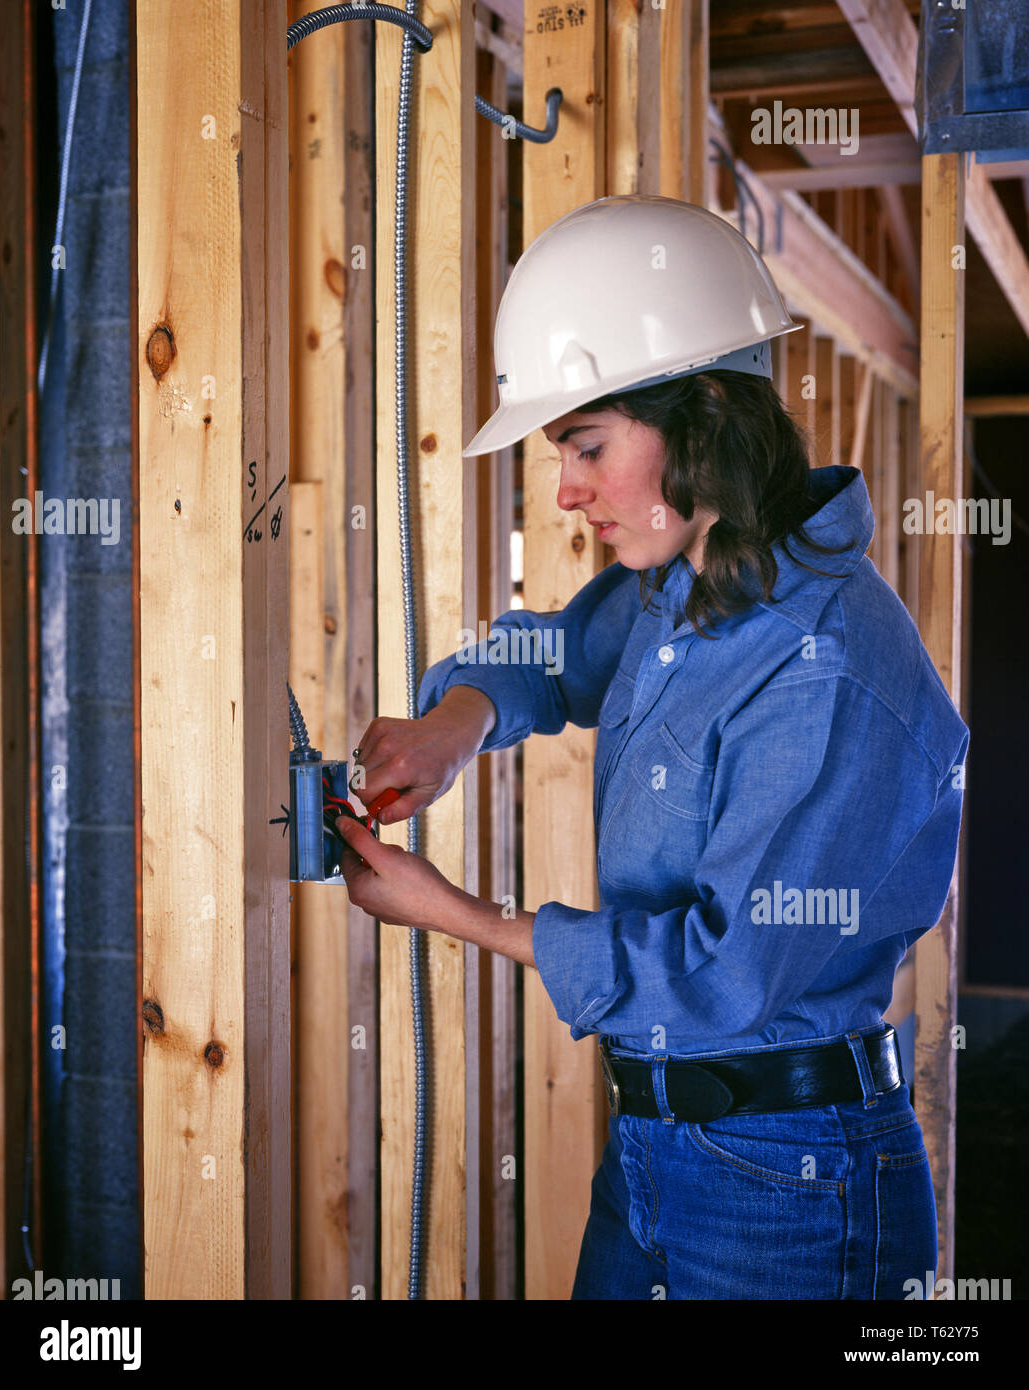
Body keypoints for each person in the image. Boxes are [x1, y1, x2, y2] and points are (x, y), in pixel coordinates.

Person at [334, 195, 970, 1300]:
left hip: (789, 1185)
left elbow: (722, 975)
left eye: (586, 446)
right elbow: (564, 653)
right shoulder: (688, 584)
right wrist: (455, 723)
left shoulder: (827, 666)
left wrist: (456, 914)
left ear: (708, 418)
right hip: (655, 1150)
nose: (569, 493)